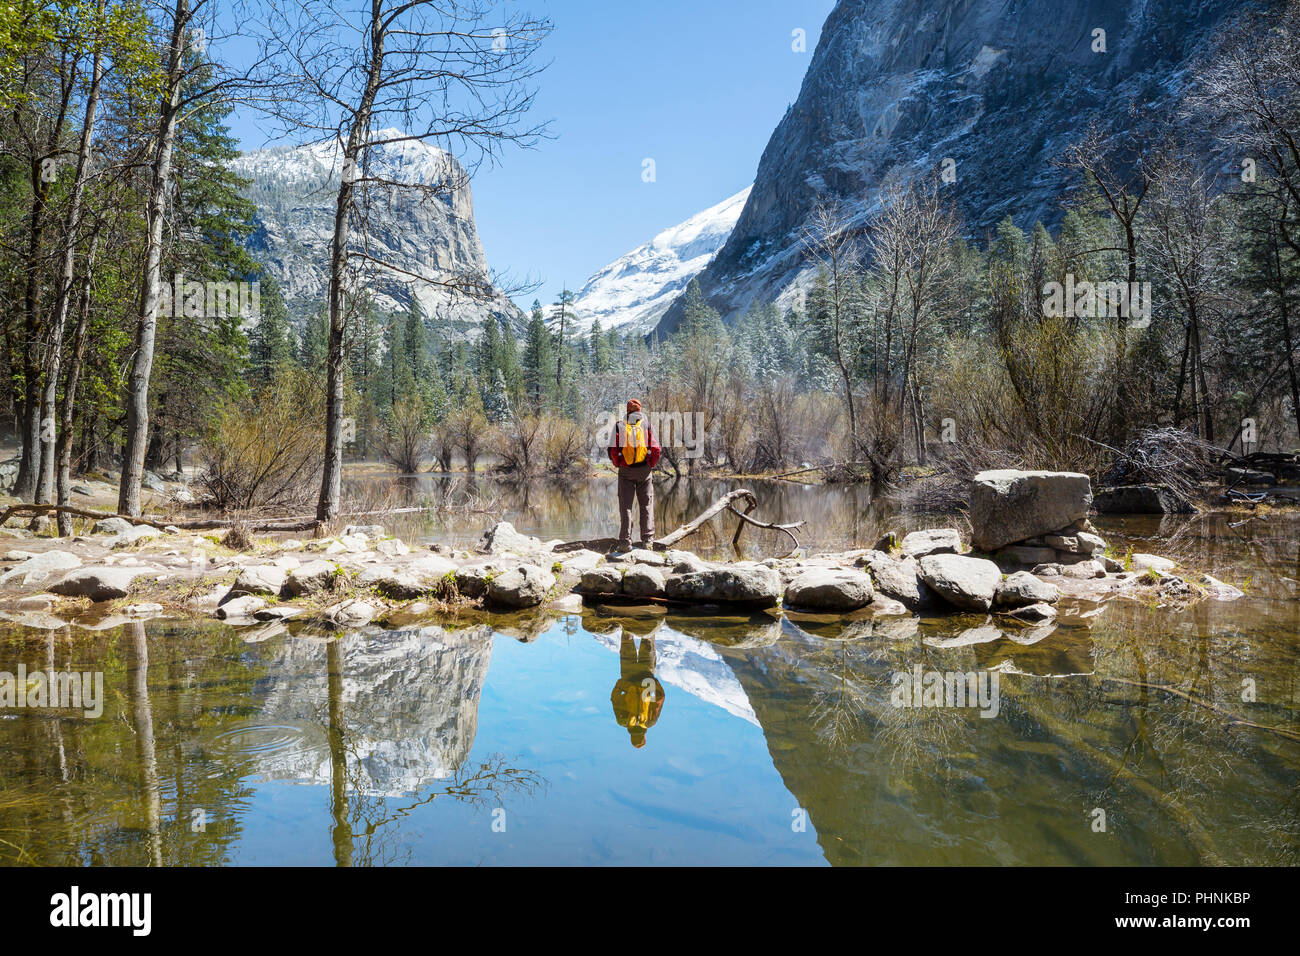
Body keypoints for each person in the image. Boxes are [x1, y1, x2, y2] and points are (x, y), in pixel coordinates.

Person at [607, 398, 660, 551]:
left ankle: (624, 542)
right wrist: (650, 464)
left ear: (627, 410)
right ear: (639, 410)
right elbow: (656, 449)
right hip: (644, 471)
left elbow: (612, 450)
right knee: (646, 505)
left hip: (626, 471)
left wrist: (619, 464)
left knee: (626, 507)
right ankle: (648, 541)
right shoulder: (647, 424)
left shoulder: (619, 425)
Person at [609, 631, 665, 749]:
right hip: (628, 676)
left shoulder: (649, 722)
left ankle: (649, 616)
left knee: (648, 639)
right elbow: (615, 699)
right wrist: (621, 685)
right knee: (627, 641)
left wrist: (655, 682)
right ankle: (626, 617)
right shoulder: (623, 721)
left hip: (646, 679)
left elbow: (659, 699)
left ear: (643, 737)